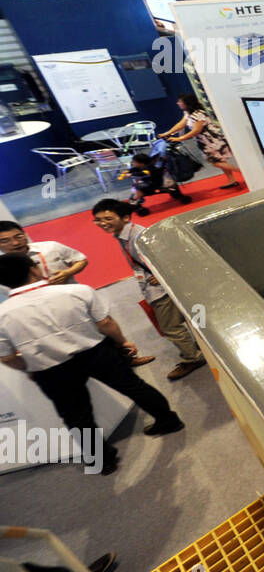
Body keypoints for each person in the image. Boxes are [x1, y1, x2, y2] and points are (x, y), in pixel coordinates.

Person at [0, 254, 184, 477]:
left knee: (76, 416)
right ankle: (169, 420)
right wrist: (123, 342)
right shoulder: (75, 291)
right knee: (134, 386)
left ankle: (102, 461)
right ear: (34, 270)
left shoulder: (2, 313)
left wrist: (30, 367)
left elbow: (7, 357)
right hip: (96, 352)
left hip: (50, 369)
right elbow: (105, 323)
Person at [90, 199, 207, 381]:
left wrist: (161, 274)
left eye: (108, 218)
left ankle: (193, 358)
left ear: (126, 217)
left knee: (170, 327)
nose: (102, 223)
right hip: (156, 285)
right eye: (98, 220)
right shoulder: (124, 235)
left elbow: (170, 254)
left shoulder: (138, 236)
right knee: (185, 318)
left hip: (160, 289)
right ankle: (198, 348)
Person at [160, 94, 242, 189]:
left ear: (187, 103)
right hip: (205, 141)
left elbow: (196, 131)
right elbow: (180, 125)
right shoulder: (188, 113)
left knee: (215, 162)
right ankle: (232, 180)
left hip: (212, 141)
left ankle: (244, 172)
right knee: (220, 160)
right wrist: (167, 133)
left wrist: (179, 139)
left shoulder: (198, 114)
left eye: (180, 102)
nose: (178, 103)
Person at [0, 222, 87, 286]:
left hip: (73, 294)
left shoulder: (50, 246)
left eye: (19, 236)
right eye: (5, 241)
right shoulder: (2, 267)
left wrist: (68, 272)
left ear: (25, 234)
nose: (15, 243)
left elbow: (81, 260)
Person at [124, 151, 191, 215]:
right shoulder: (143, 166)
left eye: (135, 162)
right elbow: (135, 169)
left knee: (136, 186)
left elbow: (141, 173)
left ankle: (138, 197)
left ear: (141, 163)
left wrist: (131, 174)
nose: (134, 163)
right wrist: (128, 171)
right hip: (149, 181)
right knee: (136, 186)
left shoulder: (150, 168)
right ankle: (137, 197)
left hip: (155, 184)